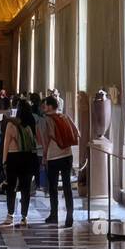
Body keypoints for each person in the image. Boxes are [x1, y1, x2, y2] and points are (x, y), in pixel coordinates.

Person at [38, 94, 78, 228]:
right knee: (67, 187)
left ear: (49, 106)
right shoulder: (65, 116)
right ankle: (69, 216)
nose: (44, 108)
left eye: (45, 105)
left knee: (53, 188)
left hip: (53, 157)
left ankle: (54, 215)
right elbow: (77, 132)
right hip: (67, 155)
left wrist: (44, 155)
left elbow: (45, 140)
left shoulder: (46, 120)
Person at [1, 98, 40, 227]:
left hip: (13, 157)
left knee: (11, 187)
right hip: (28, 157)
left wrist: (4, 161)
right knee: (25, 188)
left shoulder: (11, 124)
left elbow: (6, 143)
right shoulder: (31, 124)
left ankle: (10, 215)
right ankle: (24, 217)